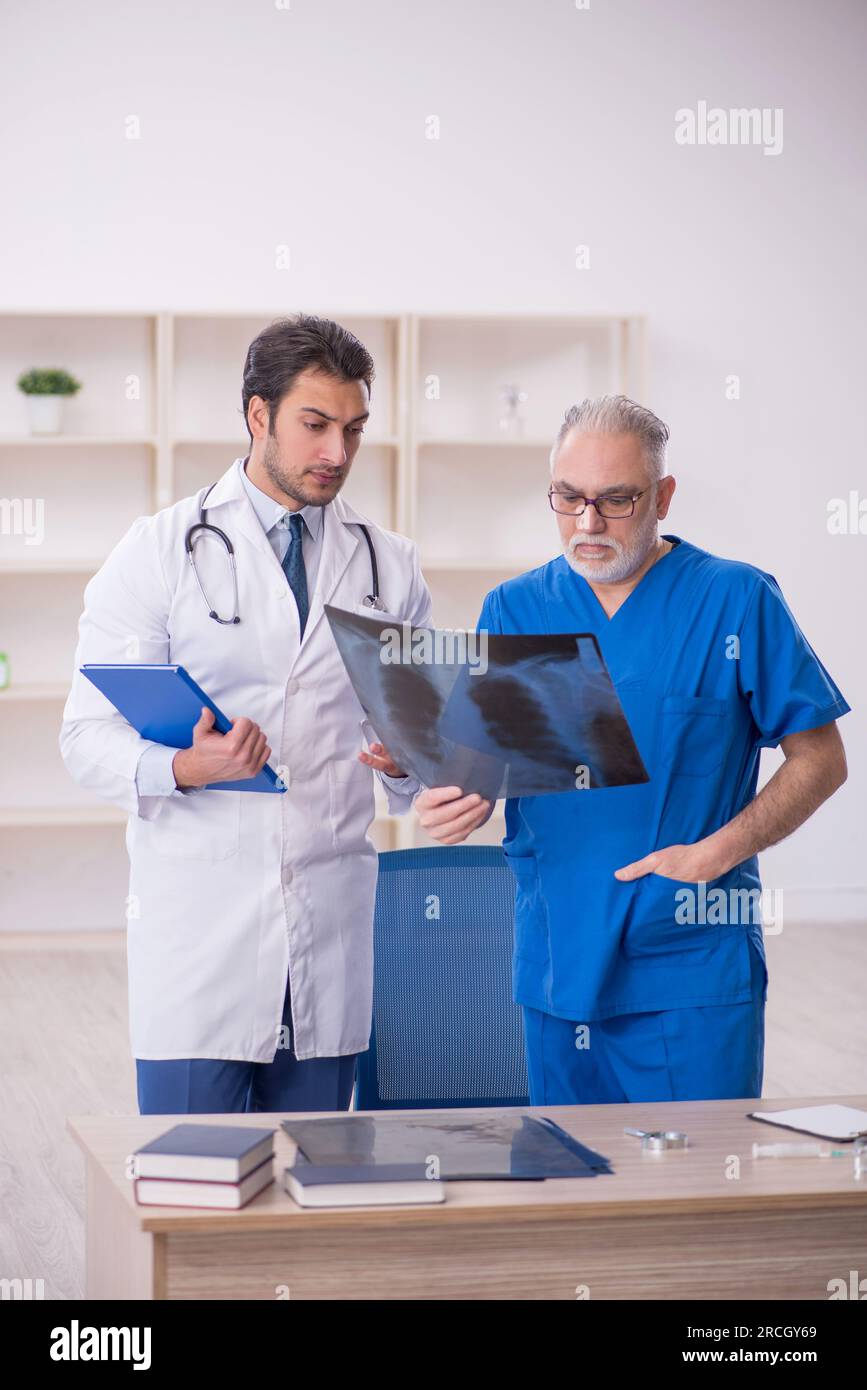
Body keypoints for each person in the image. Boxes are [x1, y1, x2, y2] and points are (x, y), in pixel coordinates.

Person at [413, 395, 850, 1105]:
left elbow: (821, 760)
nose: (587, 523)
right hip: (559, 946)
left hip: (688, 953)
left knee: (695, 1186)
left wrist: (716, 854)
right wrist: (442, 788)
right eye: (567, 497)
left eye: (615, 500)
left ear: (663, 496)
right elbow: (480, 769)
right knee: (573, 1187)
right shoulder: (514, 609)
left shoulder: (735, 600)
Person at [60, 315, 430, 1115]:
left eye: (354, 429)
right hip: (202, 935)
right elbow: (85, 736)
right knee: (194, 1190)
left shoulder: (387, 564)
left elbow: (414, 737)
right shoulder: (159, 549)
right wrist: (185, 768)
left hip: (326, 922)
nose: (337, 452)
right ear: (257, 416)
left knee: (309, 1189)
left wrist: (408, 760)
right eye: (315, 425)